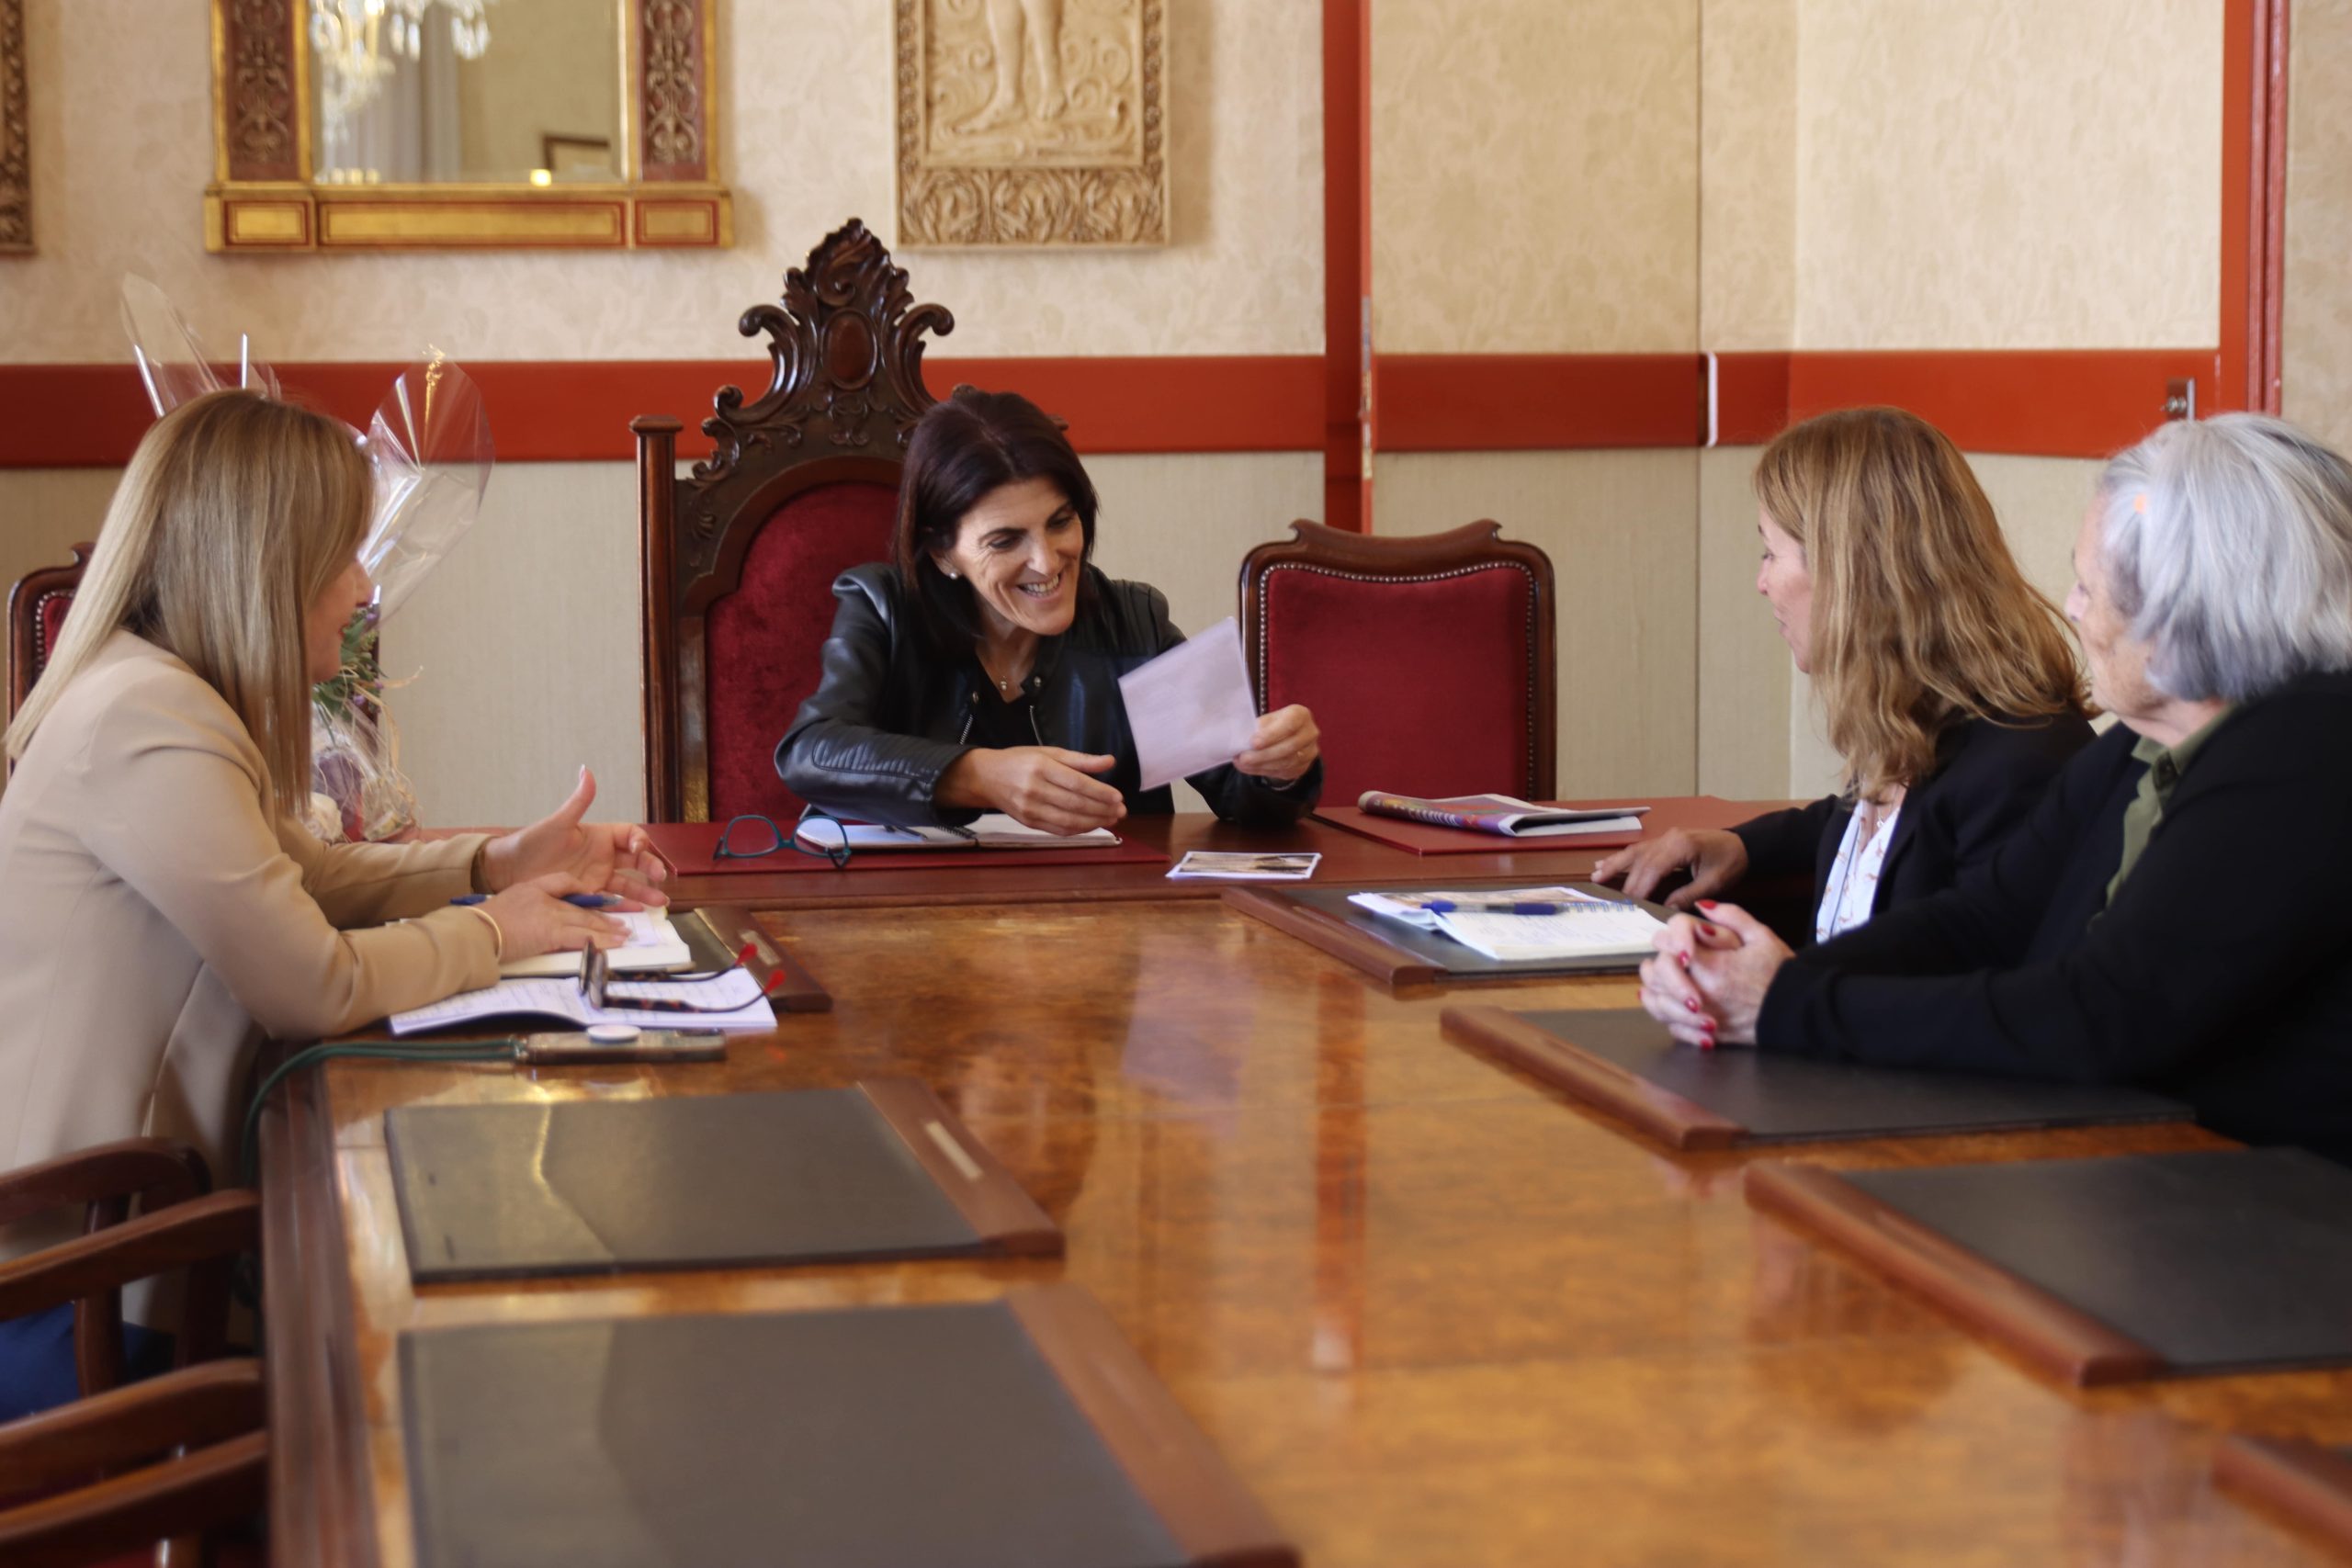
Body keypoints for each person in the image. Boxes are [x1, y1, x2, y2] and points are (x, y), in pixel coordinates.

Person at [0, 389, 665, 1415]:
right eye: (346, 558)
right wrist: (499, 930)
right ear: (264, 566)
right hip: (83, 1300)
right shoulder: (145, 722)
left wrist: (497, 862)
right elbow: (310, 985)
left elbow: (300, 876)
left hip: (129, 1250)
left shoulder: (160, 691)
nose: (364, 592)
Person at [1641, 413, 2352, 1165]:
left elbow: (2098, 1013)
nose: (2073, 609)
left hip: (2267, 1221)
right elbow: (1984, 921)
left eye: (2090, 586)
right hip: (2138, 1176)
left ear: (2185, 607)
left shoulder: (2305, 751)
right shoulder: (2140, 746)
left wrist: (1787, 1005)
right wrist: (1752, 974)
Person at [1596, 407, 2090, 942]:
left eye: (1770, 552)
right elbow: (1885, 834)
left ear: (1850, 570)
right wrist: (1741, 846)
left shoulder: (2019, 769)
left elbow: (1968, 1006)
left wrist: (1780, 989)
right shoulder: (1914, 714)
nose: (1762, 583)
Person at [777, 388, 1322, 831]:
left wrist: (1280, 768)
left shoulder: (1131, 621)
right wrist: (978, 776)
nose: (1047, 561)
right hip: (916, 926)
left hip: (1106, 931)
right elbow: (811, 750)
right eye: (1005, 540)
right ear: (943, 551)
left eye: (1061, 522)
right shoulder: (883, 606)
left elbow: (1243, 797)